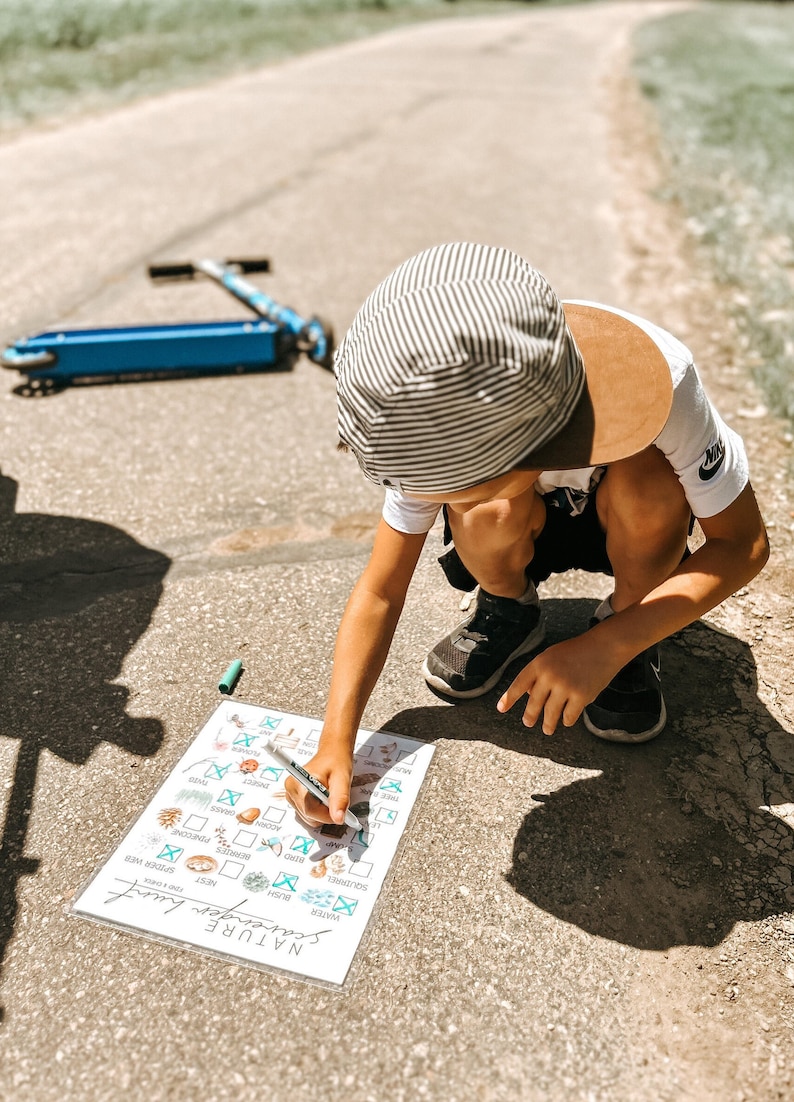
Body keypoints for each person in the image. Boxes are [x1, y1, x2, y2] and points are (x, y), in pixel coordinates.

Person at [284, 242, 769, 827]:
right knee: (491, 513)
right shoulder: (433, 422)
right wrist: (337, 738)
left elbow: (742, 545)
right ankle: (508, 608)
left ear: (528, 448)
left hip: (629, 520)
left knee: (651, 480)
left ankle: (630, 622)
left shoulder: (661, 383)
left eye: (458, 489)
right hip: (527, 525)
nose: (439, 501)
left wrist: (610, 645)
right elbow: (381, 589)